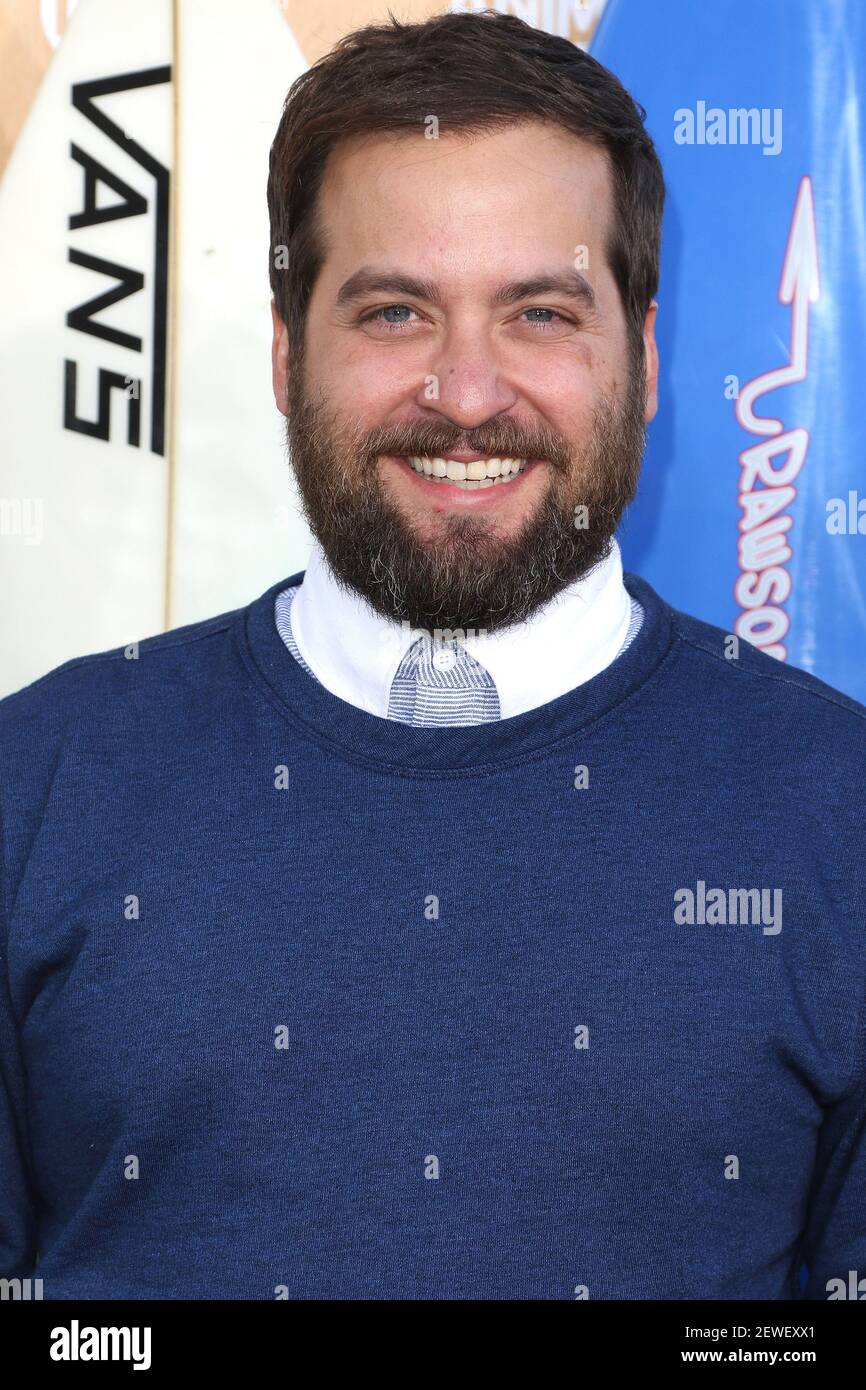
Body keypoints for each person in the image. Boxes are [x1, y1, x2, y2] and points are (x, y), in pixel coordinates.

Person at [1, 10, 863, 1301]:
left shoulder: (836, 808)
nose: (465, 394)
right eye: (396, 310)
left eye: (538, 313)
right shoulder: (35, 781)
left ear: (643, 353)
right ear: (289, 356)